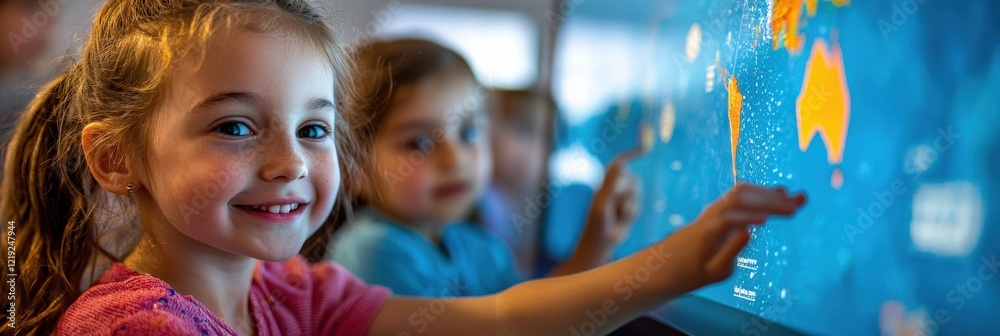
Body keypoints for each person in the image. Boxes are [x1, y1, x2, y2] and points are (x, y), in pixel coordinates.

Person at [0, 1, 807, 335]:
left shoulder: (293, 293)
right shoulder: (136, 326)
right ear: (115, 159)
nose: (289, 162)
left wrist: (674, 265)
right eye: (237, 126)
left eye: (314, 128)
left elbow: (494, 323)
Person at [328, 39, 646, 296]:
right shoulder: (372, 253)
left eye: (468, 132)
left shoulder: (481, 248)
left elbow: (540, 314)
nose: (455, 159)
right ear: (353, 169)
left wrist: (597, 243)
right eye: (419, 143)